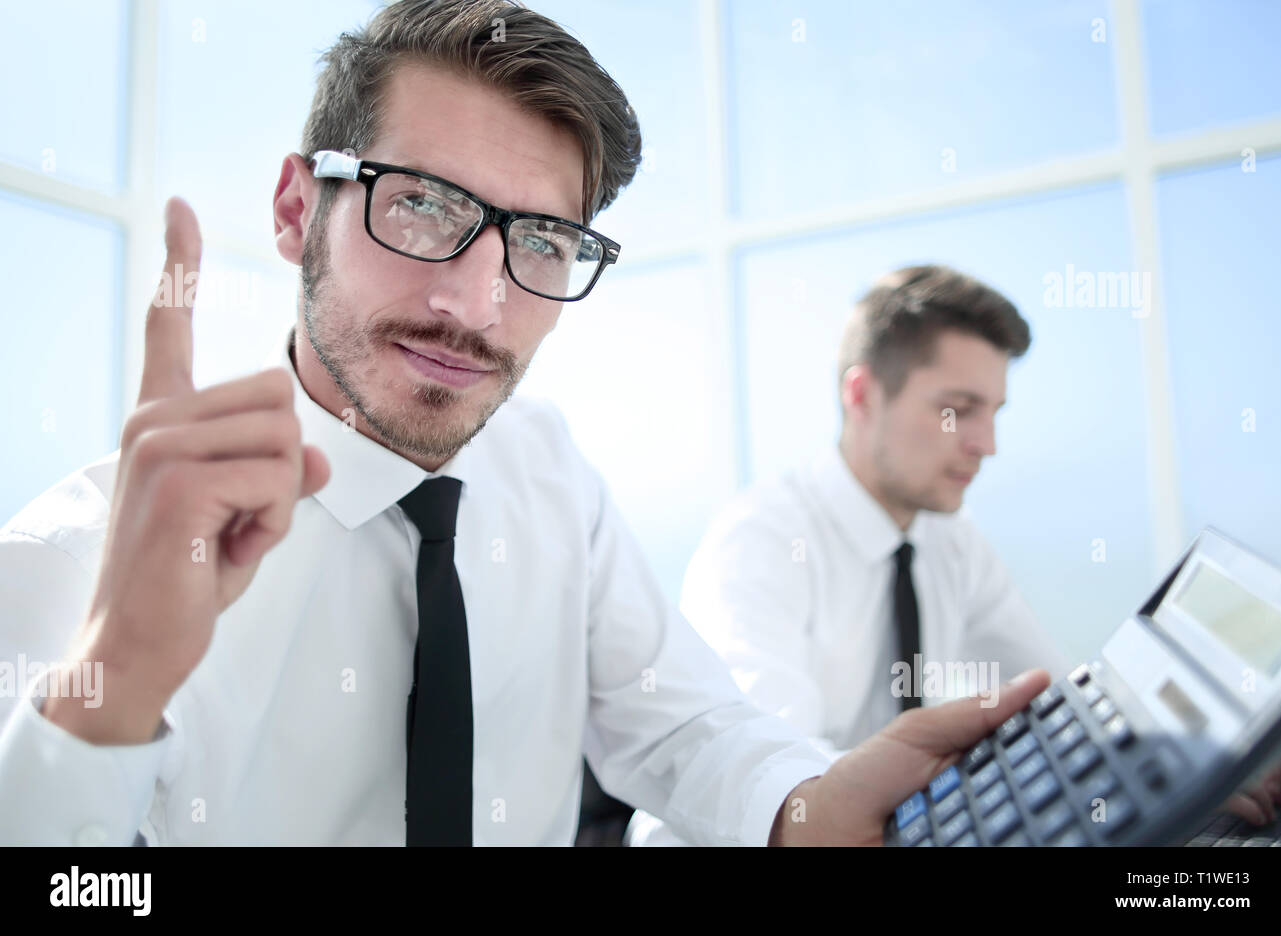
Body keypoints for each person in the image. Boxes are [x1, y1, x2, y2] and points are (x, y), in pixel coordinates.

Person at [0, 0, 1055, 847]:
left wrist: (805, 808)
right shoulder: (73, 563)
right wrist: (115, 686)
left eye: (542, 240)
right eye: (420, 204)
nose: (475, 305)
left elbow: (680, 724)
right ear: (295, 209)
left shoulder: (543, 466)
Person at [629, 264, 1281, 844]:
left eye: (994, 412)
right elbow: (780, 775)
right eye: (958, 409)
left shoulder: (950, 538)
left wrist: (1197, 762)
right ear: (862, 395)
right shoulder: (760, 541)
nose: (986, 443)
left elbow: (1051, 692)